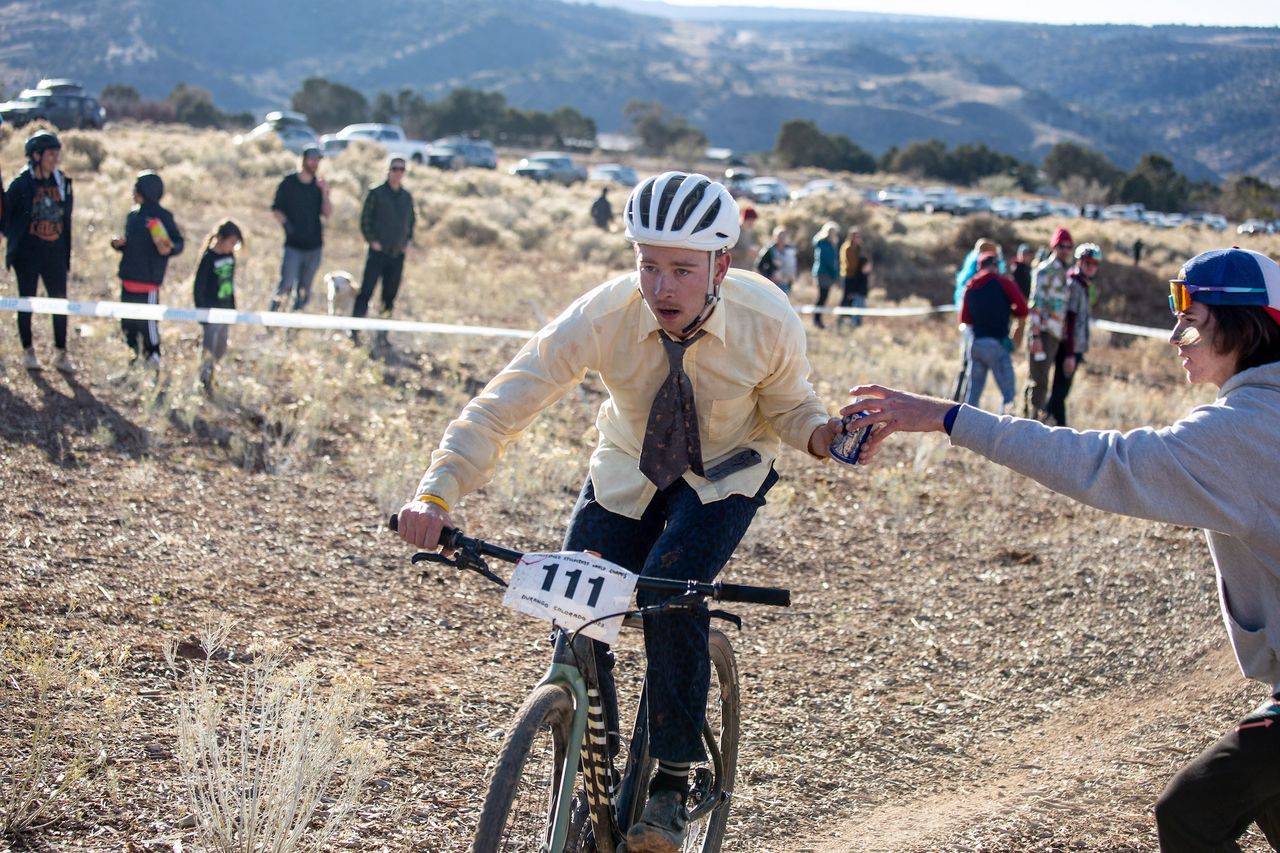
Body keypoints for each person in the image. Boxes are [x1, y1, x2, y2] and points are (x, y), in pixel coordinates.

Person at [396, 172, 842, 852]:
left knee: (670, 588)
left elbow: (791, 407)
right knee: (576, 612)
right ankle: (585, 781)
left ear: (722, 264)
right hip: (627, 471)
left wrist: (823, 435)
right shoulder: (606, 313)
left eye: (683, 270)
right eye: (649, 265)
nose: (662, 288)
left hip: (724, 476)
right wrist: (436, 492)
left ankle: (670, 779)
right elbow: (505, 401)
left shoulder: (766, 318)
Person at [842, 246, 1280, 853]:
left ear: (1244, 325)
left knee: (1192, 814)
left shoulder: (1245, 430)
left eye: (1193, 321)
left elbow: (1102, 464)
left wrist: (948, 417)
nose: (1176, 337)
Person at [4, 131, 75, 372]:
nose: (55, 158)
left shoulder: (62, 182)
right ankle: (28, 351)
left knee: (60, 302)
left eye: (57, 153)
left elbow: (66, 217)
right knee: (26, 301)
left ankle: (60, 353)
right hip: (27, 255)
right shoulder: (21, 184)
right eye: (50, 153)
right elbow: (6, 218)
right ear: (36, 155)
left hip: (55, 252)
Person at [110, 171, 184, 367]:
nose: (132, 193)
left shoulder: (163, 217)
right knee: (128, 322)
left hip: (149, 282)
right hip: (128, 279)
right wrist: (120, 244)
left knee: (149, 322)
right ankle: (133, 355)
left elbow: (177, 243)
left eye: (135, 189)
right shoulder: (133, 216)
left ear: (144, 192)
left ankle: (153, 357)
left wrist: (170, 248)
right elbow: (132, 244)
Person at [353, 157, 416, 346]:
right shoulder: (376, 192)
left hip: (397, 253)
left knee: (389, 297)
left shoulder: (406, 196)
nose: (398, 172)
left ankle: (382, 335)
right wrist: (372, 241)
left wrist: (408, 240)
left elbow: (411, 221)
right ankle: (354, 330)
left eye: (401, 169)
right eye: (395, 168)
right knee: (366, 292)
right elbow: (365, 219)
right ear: (388, 170)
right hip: (378, 252)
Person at [959, 251, 1028, 413]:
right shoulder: (1004, 283)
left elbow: (965, 319)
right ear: (996, 266)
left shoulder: (970, 286)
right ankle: (1006, 433)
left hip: (976, 344)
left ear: (979, 267)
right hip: (998, 344)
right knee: (1009, 395)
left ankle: (966, 431)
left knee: (972, 395)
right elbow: (1023, 309)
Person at [1043, 243, 1102, 426]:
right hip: (1069, 347)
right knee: (1060, 392)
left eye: (1095, 263)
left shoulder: (1083, 284)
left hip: (1075, 346)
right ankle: (1058, 430)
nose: (1091, 267)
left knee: (1061, 392)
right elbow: (1069, 320)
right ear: (1079, 262)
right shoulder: (1074, 285)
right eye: (1088, 263)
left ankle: (1049, 425)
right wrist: (1069, 354)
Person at [268, 146, 331, 312]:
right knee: (286, 284)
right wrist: (288, 226)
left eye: (317, 160)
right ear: (303, 160)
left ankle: (294, 324)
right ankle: (273, 318)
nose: (315, 163)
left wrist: (324, 192)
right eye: (312, 159)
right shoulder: (289, 182)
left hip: (314, 246)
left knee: (304, 289)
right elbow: (276, 209)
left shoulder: (318, 186)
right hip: (294, 245)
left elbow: (327, 213)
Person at [1024, 227, 1074, 420]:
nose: (1066, 250)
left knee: (1043, 379)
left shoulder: (1065, 272)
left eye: (1069, 246)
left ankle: (1032, 416)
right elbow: (1035, 303)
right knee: (1039, 380)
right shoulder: (1045, 270)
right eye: (1062, 246)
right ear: (1054, 247)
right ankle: (1031, 419)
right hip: (1042, 331)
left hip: (1055, 333)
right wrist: (1035, 335)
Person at [191, 220, 243, 393]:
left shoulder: (230, 258)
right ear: (220, 239)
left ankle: (212, 374)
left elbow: (229, 283)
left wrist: (233, 306)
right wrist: (201, 311)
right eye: (231, 243)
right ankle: (203, 380)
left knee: (221, 347)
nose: (233, 247)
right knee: (209, 346)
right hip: (210, 310)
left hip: (225, 309)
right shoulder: (208, 258)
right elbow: (199, 287)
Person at [951, 238, 1002, 401]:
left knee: (966, 364)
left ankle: (958, 400)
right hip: (973, 326)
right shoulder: (977, 275)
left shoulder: (971, 271)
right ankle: (960, 402)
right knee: (968, 365)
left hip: (970, 325)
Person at [810, 221, 840, 328]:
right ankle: (817, 320)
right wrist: (834, 275)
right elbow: (829, 261)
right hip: (824, 274)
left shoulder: (828, 245)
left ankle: (818, 320)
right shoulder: (824, 245)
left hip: (825, 274)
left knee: (823, 297)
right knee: (822, 297)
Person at [839, 228, 870, 330]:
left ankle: (852, 321)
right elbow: (851, 264)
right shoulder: (847, 248)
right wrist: (861, 265)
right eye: (855, 237)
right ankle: (842, 319)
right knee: (846, 298)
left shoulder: (859, 248)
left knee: (855, 299)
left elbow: (865, 258)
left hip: (856, 277)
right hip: (848, 276)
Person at [754, 226, 789, 295]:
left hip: (784, 282)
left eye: (783, 237)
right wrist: (769, 277)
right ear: (775, 237)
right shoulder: (769, 249)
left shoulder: (789, 249)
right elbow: (759, 265)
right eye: (779, 236)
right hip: (773, 283)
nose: (781, 239)